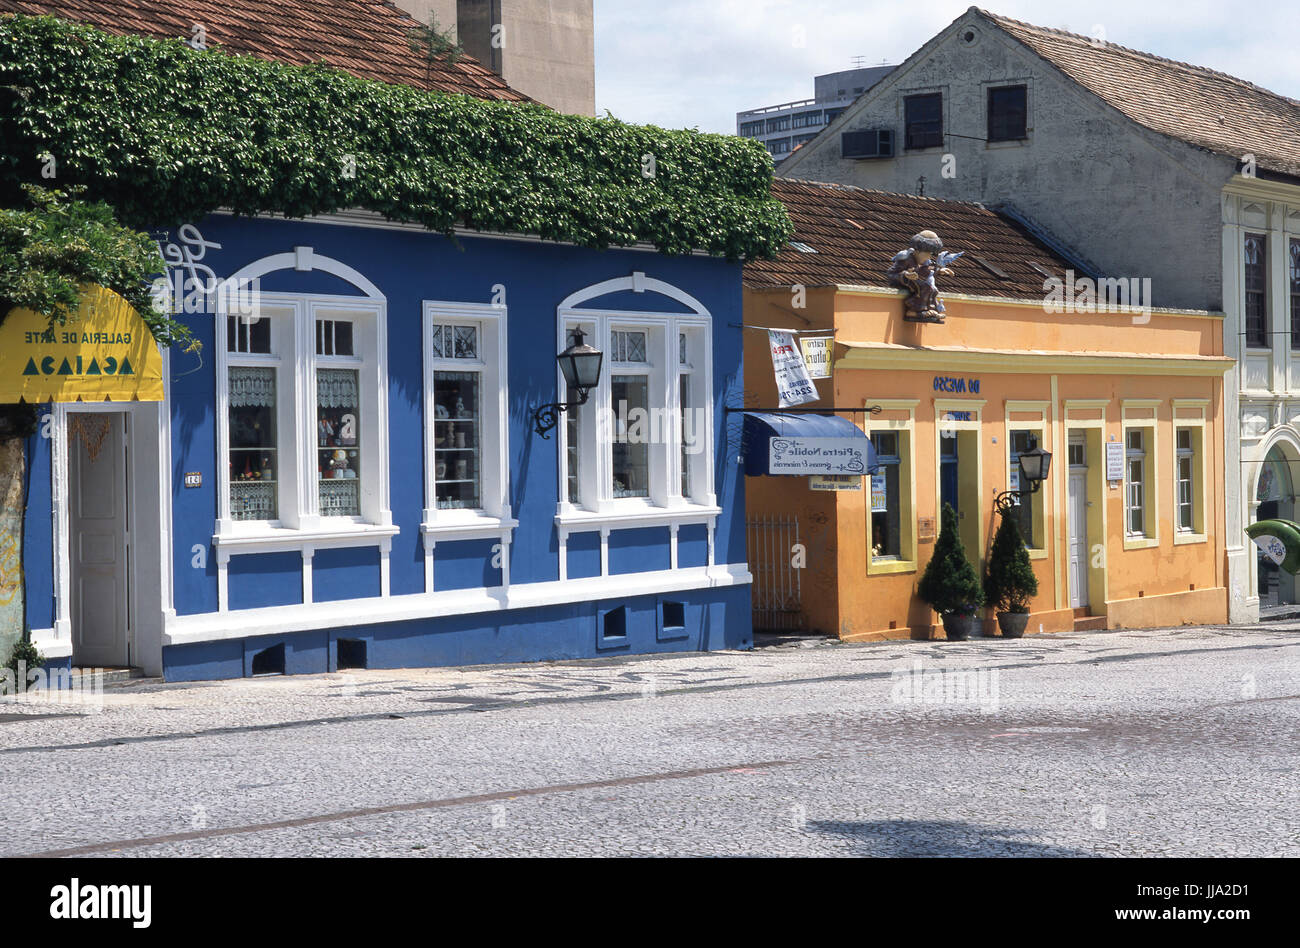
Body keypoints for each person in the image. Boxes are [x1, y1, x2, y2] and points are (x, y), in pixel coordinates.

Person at [887, 230, 954, 321]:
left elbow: (927, 272)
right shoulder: (905, 259)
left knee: (933, 289)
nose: (928, 257)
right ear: (917, 251)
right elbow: (892, 274)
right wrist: (906, 275)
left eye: (930, 254)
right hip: (904, 283)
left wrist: (939, 271)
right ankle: (914, 311)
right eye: (927, 253)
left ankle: (931, 309)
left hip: (915, 283)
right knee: (925, 286)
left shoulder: (925, 262)